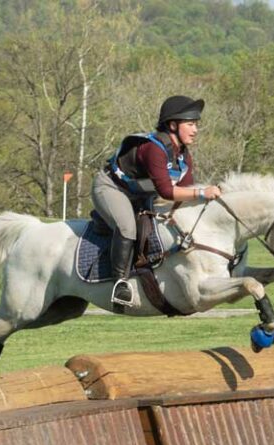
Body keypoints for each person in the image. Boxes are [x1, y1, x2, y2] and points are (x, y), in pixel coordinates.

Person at [92, 95, 222, 307]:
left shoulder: (182, 156)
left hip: (139, 193)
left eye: (196, 124)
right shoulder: (154, 149)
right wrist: (201, 193)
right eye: (190, 124)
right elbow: (167, 191)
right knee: (128, 228)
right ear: (172, 125)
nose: (195, 130)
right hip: (111, 188)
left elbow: (184, 191)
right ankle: (120, 284)